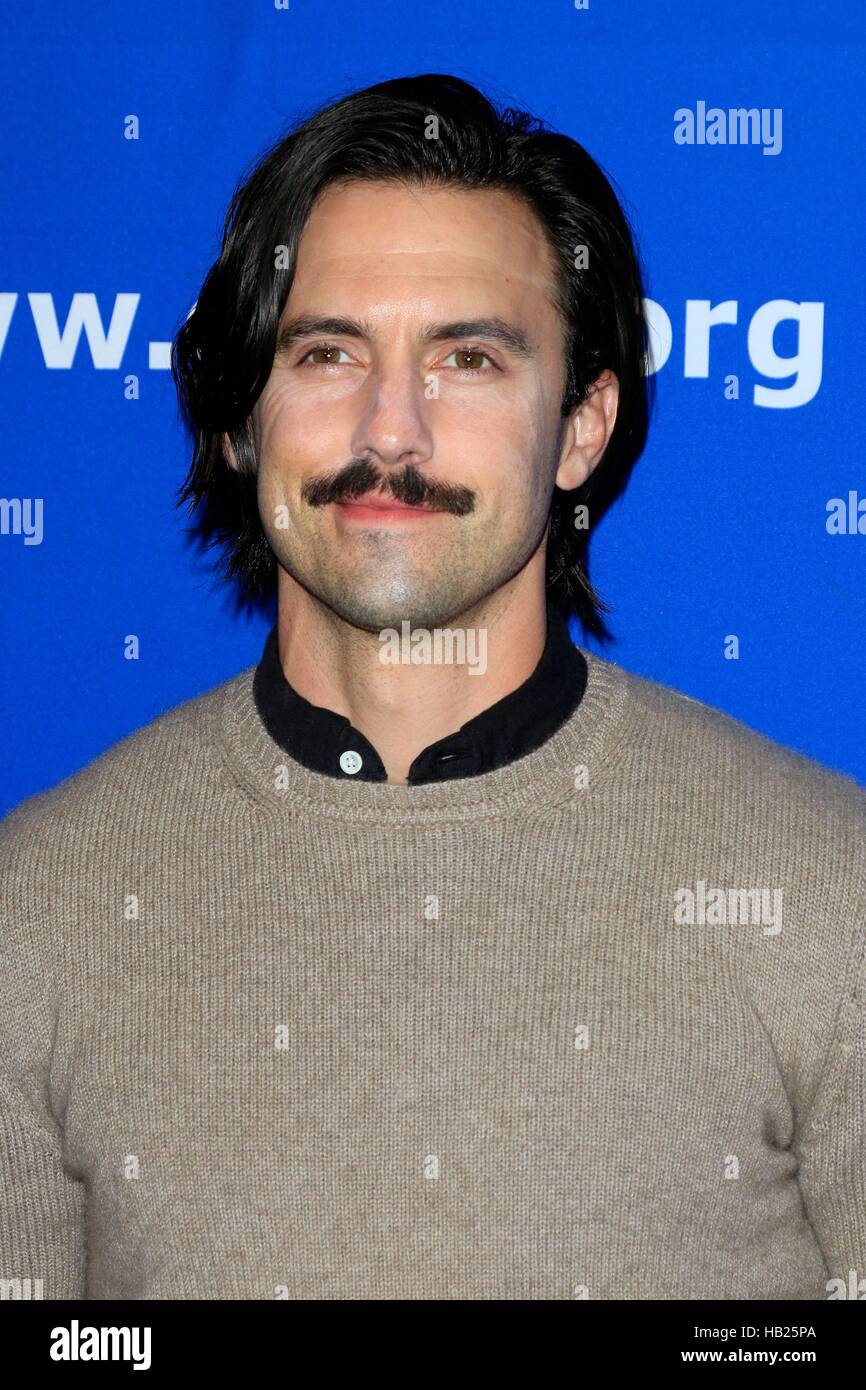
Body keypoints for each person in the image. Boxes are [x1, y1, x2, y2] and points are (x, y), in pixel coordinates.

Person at [1, 73, 863, 1302]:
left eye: (466, 358)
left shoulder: (828, 895)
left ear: (578, 428)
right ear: (243, 420)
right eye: (325, 353)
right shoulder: (35, 909)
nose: (390, 433)